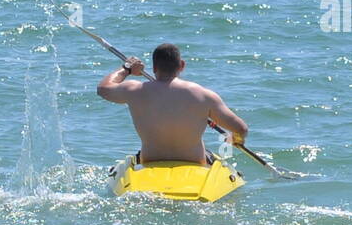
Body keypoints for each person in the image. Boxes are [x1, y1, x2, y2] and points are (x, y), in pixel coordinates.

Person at [96, 43, 247, 166]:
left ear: (154, 68)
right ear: (182, 65)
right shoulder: (204, 95)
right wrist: (235, 139)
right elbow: (241, 128)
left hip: (151, 162)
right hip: (194, 163)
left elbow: (103, 89)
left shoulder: (134, 90)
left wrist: (126, 69)